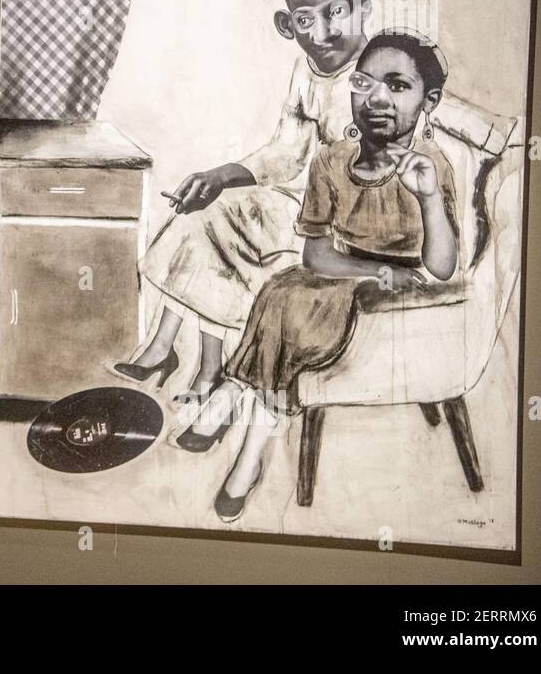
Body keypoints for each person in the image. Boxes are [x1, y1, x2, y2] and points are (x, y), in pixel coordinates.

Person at [176, 29, 458, 522]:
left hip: (392, 297)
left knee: (292, 305)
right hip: (345, 273)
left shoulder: (430, 167)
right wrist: (370, 270)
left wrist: (430, 198)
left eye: (397, 86)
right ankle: (236, 399)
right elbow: (316, 256)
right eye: (364, 83)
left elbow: (441, 267)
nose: (376, 99)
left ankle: (248, 445)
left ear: (427, 101)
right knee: (278, 290)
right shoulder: (329, 162)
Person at [113, 0, 372, 403]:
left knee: (220, 227)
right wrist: (220, 175)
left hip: (337, 226)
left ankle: (202, 367)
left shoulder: (377, 75)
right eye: (307, 19)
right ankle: (168, 348)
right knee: (206, 210)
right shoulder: (305, 71)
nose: (323, 33)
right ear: (287, 24)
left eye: (336, 13)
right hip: (298, 202)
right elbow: (287, 153)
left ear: (362, 10)